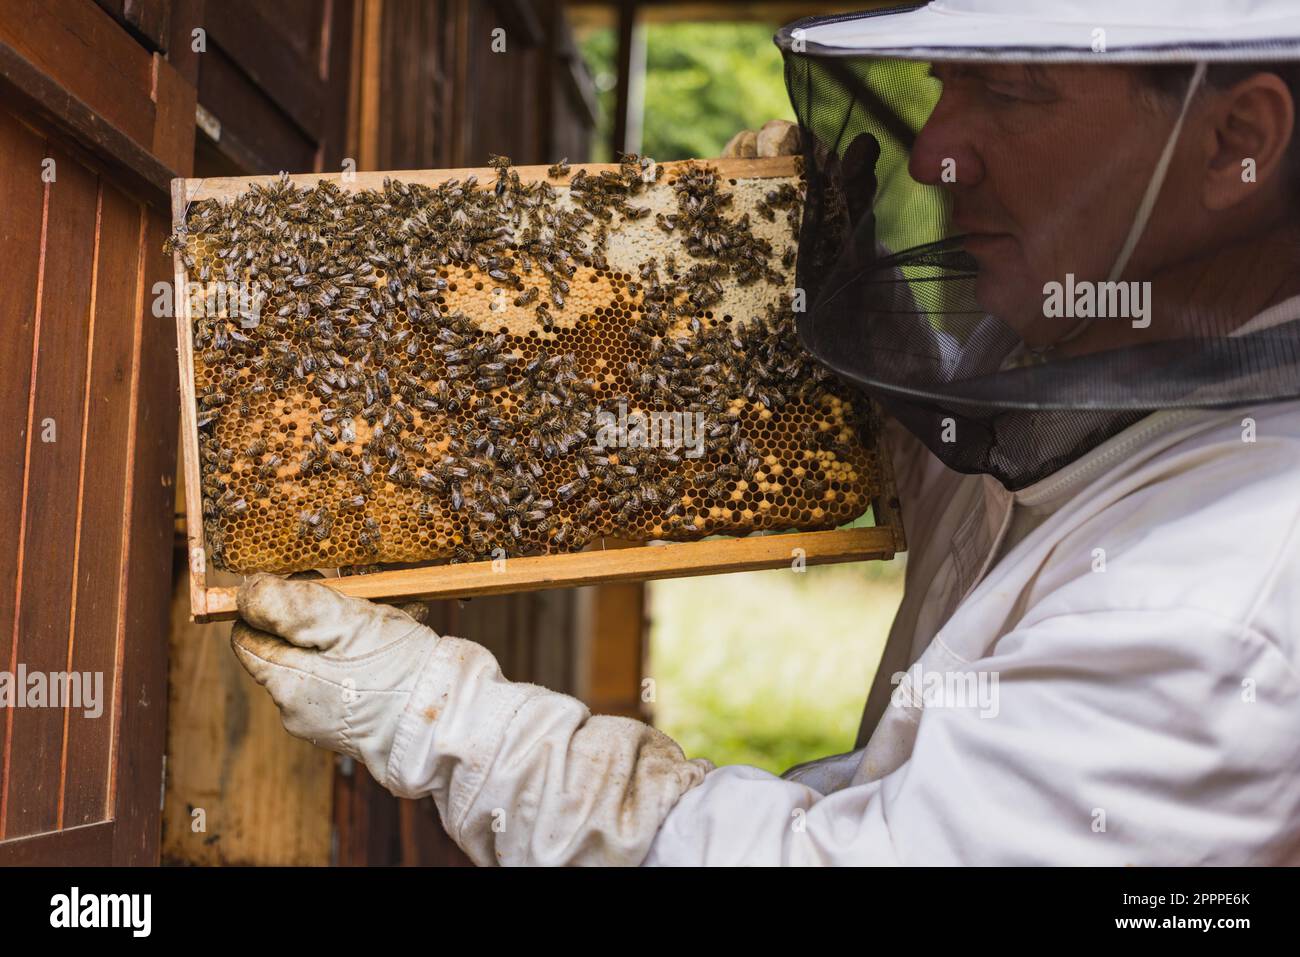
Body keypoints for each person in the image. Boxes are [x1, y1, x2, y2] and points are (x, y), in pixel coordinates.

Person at [231, 0, 1300, 865]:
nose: (933, 155)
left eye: (1008, 93)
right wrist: (843, 339)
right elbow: (1001, 499)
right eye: (942, 86)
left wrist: (437, 719)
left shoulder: (1217, 603)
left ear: (1236, 143)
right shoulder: (1135, 375)